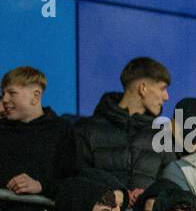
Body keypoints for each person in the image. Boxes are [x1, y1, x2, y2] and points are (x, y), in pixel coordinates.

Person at [72, 57, 172, 202]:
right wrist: (117, 196)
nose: (166, 97)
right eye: (162, 88)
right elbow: (77, 182)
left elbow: (169, 189)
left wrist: (148, 197)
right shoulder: (87, 129)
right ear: (143, 88)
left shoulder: (163, 136)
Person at [0, 65, 72, 210]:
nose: (5, 99)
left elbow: (75, 181)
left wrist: (41, 186)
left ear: (36, 95)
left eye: (12, 93)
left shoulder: (62, 130)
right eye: (3, 93)